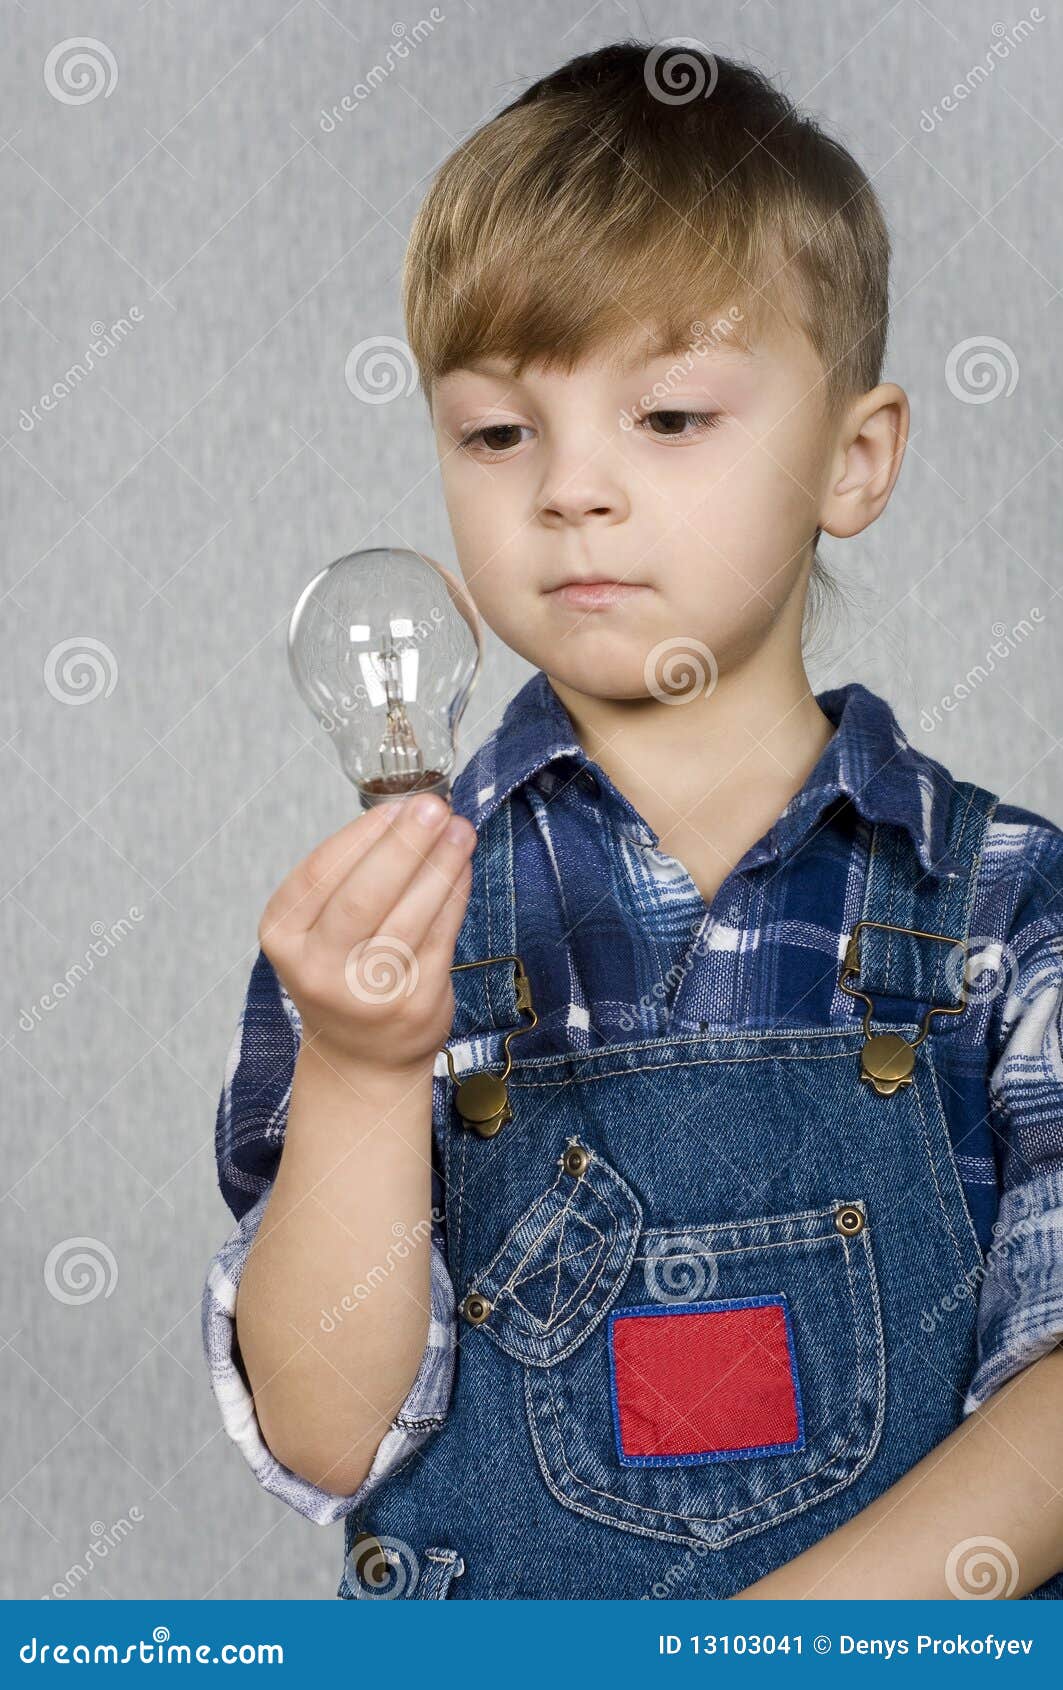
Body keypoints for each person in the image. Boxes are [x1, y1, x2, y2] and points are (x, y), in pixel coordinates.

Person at [201, 41, 1063, 1599]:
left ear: (853, 458)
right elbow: (326, 1436)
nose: (572, 487)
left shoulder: (1004, 905)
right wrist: (360, 1068)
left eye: (666, 417)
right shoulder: (380, 945)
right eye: (497, 432)